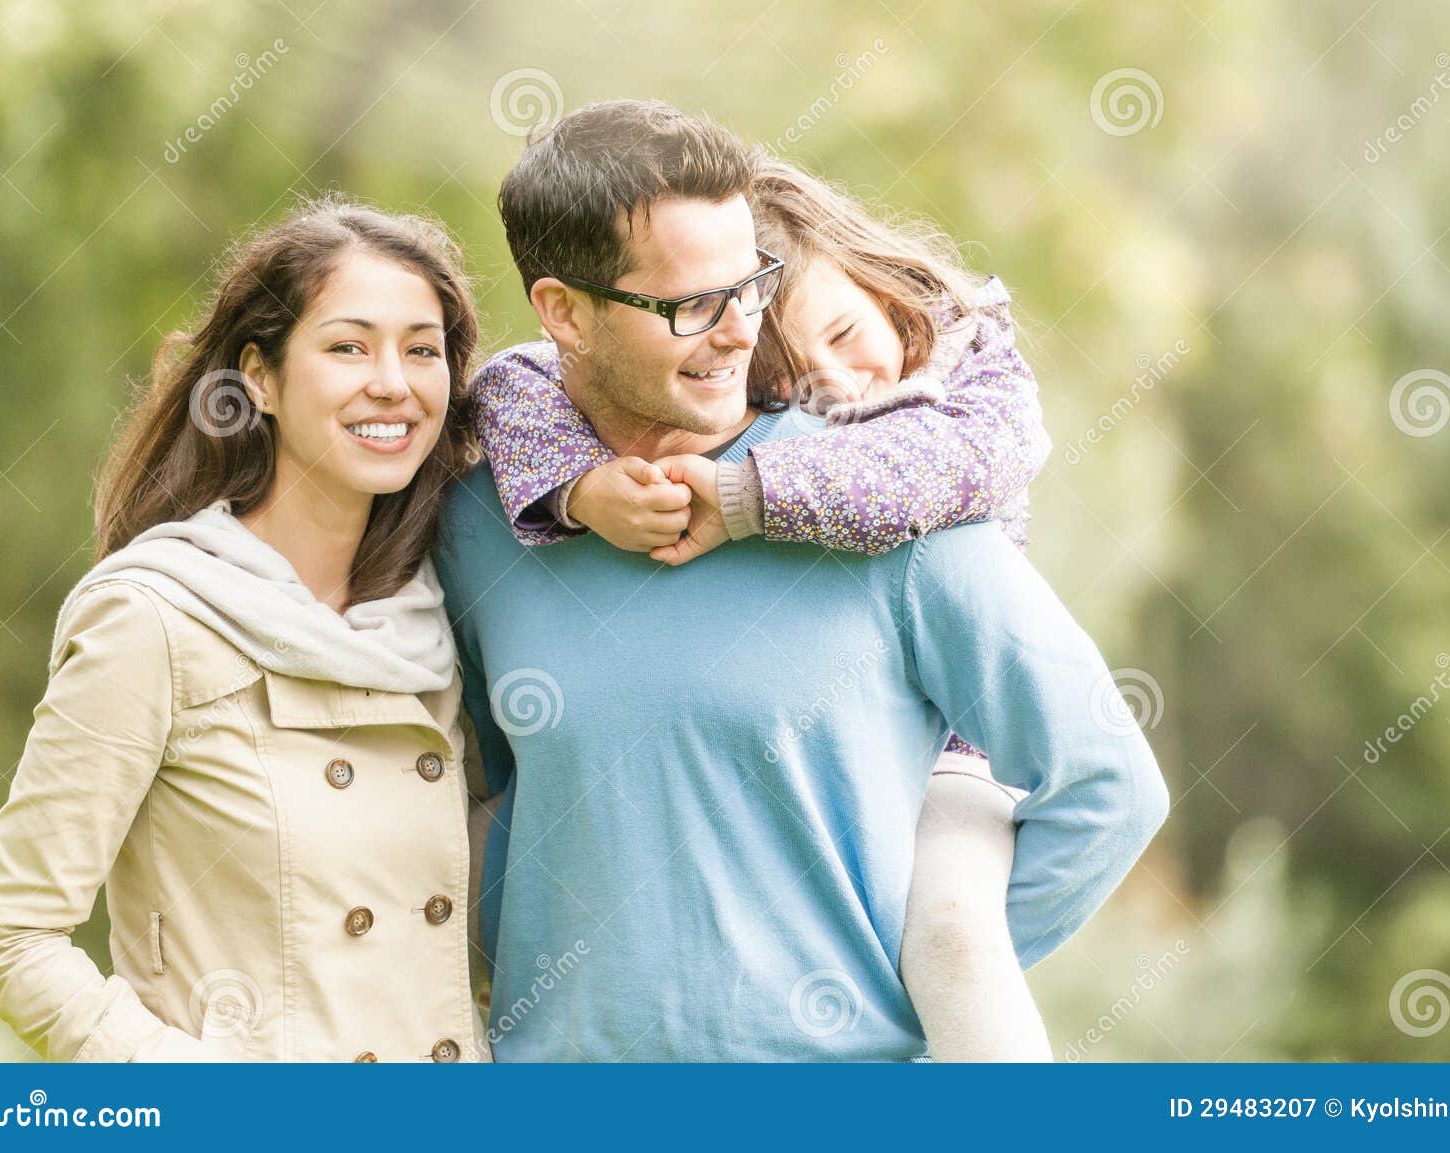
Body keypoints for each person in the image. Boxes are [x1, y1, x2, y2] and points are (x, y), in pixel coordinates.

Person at [435, 99, 1170, 1061]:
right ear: (563, 311)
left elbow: (1106, 788)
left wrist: (906, 996)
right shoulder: (485, 522)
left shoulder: (888, 500)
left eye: (749, 287)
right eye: (690, 306)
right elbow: (469, 796)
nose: (740, 333)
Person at [0, 196, 490, 1063]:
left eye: (422, 350)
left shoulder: (441, 615)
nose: (393, 381)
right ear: (260, 379)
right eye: (348, 346)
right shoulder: (155, 616)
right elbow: (9, 938)